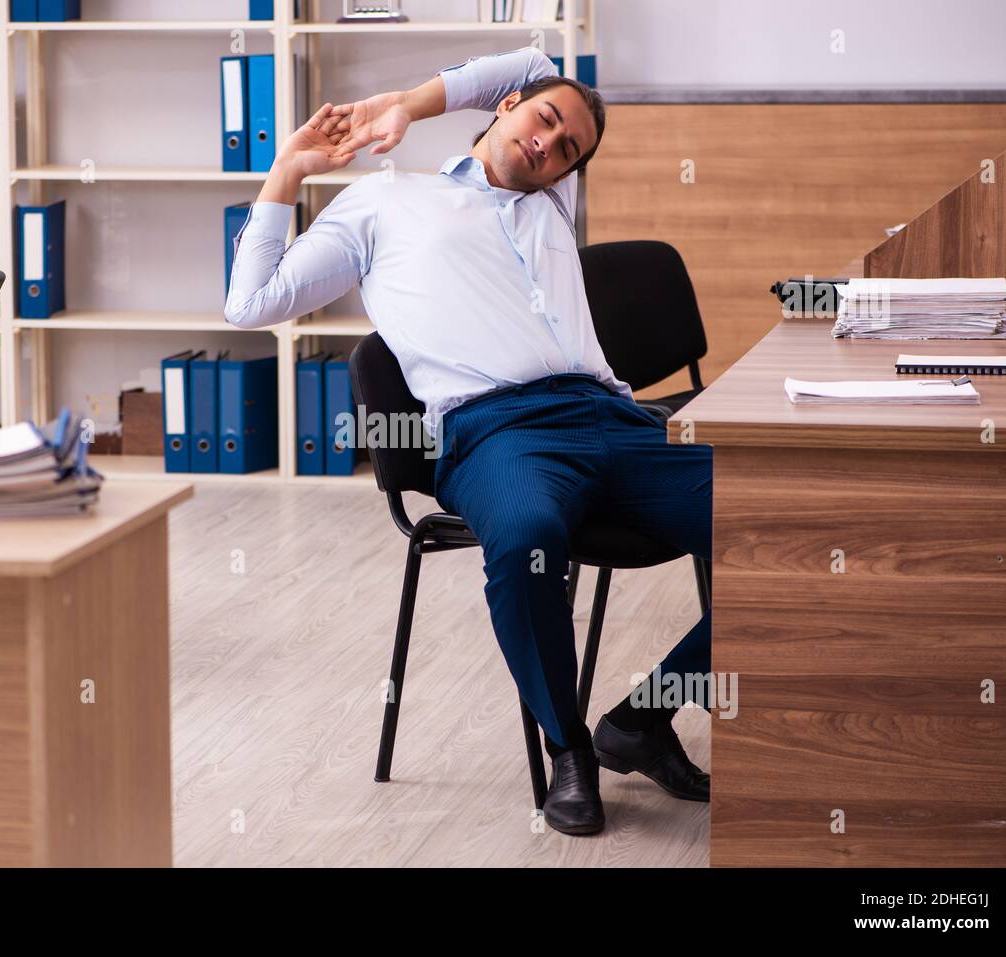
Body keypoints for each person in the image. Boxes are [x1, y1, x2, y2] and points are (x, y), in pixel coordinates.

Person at [225, 47, 712, 837]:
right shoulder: (384, 203)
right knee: (525, 541)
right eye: (544, 119)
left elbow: (538, 61)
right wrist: (288, 168)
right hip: (498, 432)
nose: (550, 146)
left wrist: (410, 103)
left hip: (614, 419)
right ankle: (571, 747)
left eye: (569, 150)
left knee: (777, 525)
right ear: (507, 105)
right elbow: (251, 303)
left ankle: (645, 718)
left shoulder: (552, 201)